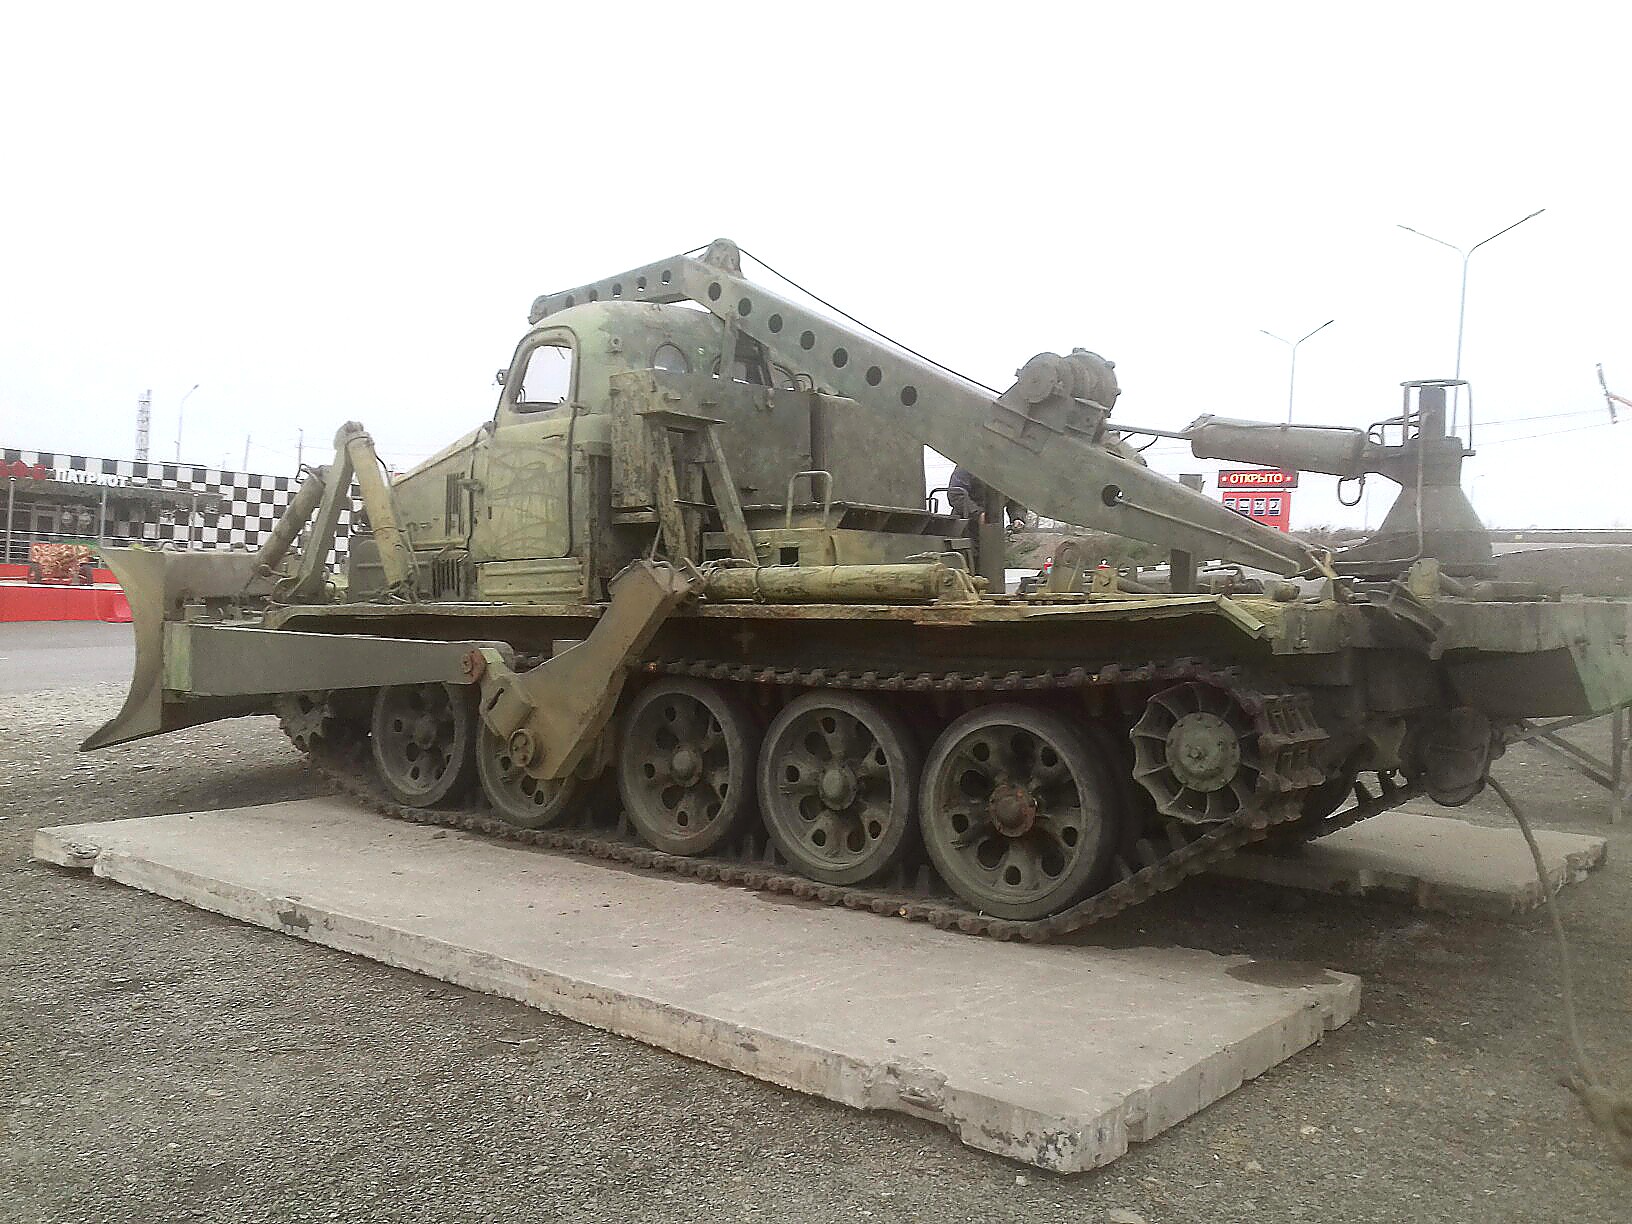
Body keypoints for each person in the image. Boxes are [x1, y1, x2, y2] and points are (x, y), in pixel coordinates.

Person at [947, 465, 1026, 530]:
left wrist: (1017, 518)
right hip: (965, 526)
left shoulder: (1007, 470)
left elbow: (1016, 498)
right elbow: (956, 494)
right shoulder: (968, 464)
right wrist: (978, 514)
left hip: (994, 527)